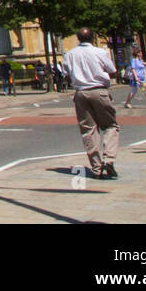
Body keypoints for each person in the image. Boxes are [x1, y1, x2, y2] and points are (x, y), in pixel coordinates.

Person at [62, 27, 119, 179]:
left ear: (78, 38)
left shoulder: (70, 54)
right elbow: (112, 71)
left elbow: (66, 75)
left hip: (80, 93)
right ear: (93, 38)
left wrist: (77, 78)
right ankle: (109, 159)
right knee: (110, 125)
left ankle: (96, 168)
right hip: (99, 90)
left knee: (88, 130)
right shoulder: (100, 52)